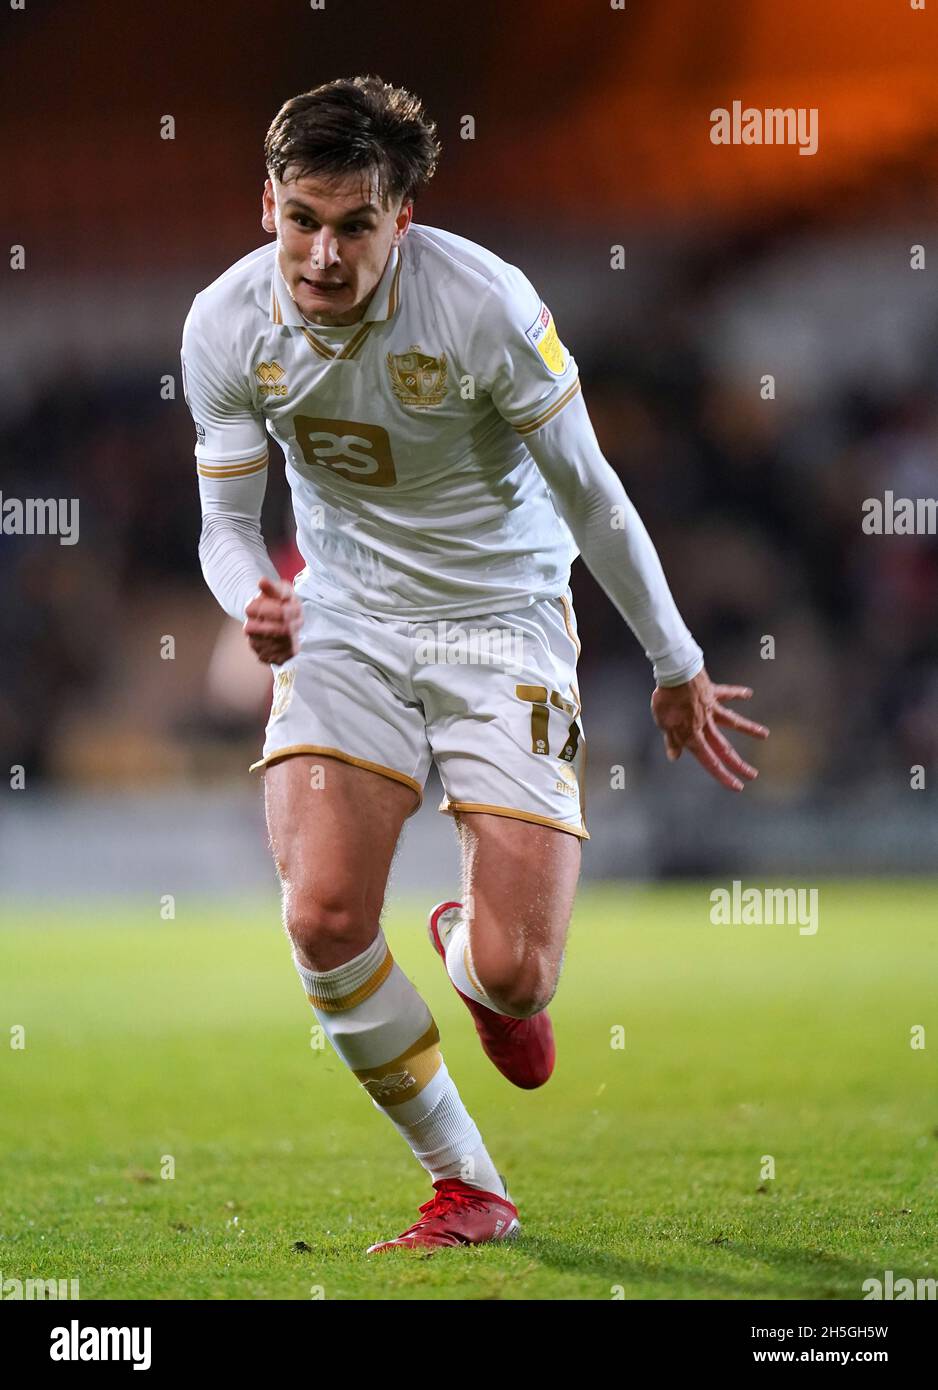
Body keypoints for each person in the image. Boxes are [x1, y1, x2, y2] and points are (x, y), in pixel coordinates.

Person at [181, 74, 769, 1254]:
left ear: (402, 218)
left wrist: (672, 660)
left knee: (516, 977)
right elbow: (229, 526)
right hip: (342, 617)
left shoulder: (484, 304)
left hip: (502, 621)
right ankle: (467, 1183)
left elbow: (592, 496)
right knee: (323, 914)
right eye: (303, 218)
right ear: (266, 206)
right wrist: (251, 598)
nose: (325, 255)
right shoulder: (224, 325)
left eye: (355, 225)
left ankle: (467, 946)